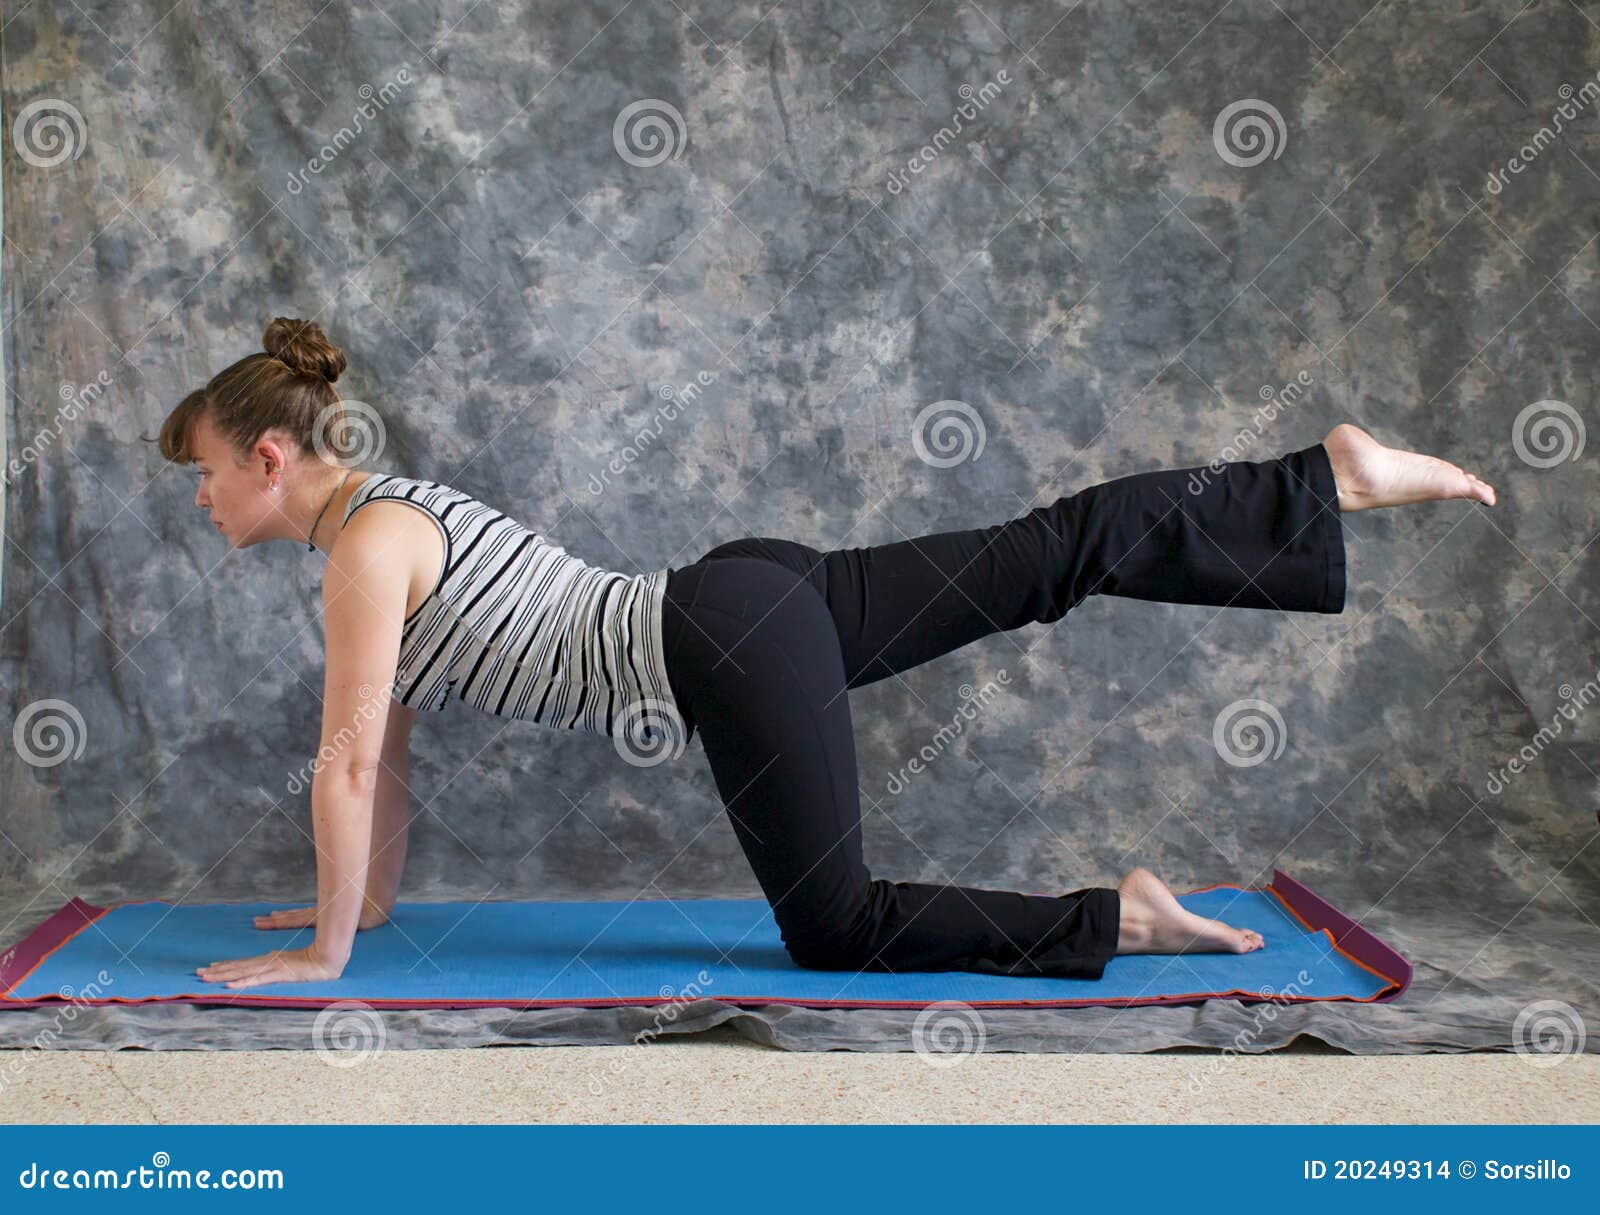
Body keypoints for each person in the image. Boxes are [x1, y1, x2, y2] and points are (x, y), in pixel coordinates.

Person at [152, 318, 1497, 991]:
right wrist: (366, 915)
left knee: (835, 928)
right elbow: (381, 757)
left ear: (270, 458)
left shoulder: (363, 553)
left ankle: (1121, 918)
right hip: (744, 596)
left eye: (206, 476)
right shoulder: (390, 519)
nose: (202, 501)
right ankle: (1320, 481)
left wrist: (326, 960)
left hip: (721, 637)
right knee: (1039, 559)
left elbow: (343, 759)